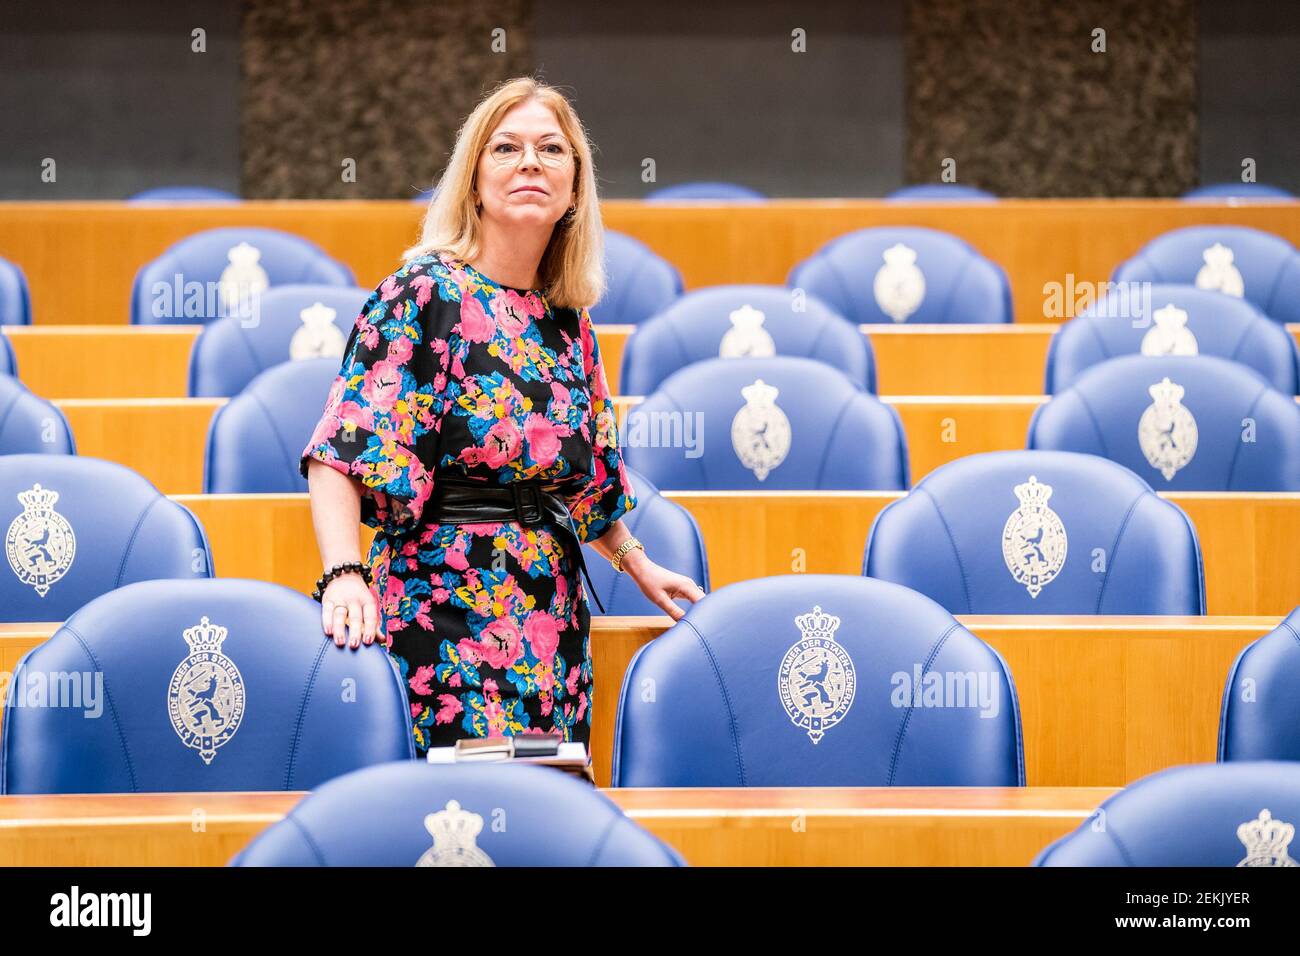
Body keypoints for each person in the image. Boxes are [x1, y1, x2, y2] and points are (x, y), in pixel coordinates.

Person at [300, 76, 704, 755]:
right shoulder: (423, 292)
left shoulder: (567, 323)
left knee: (544, 806)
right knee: (457, 826)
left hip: (549, 616)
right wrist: (343, 574)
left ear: (574, 189)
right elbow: (342, 450)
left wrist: (635, 561)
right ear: (474, 183)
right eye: (506, 148)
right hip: (440, 604)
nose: (530, 162)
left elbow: (590, 486)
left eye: (551, 149)